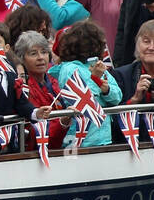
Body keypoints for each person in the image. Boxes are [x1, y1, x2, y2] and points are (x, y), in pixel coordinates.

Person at [50, 19, 122, 147]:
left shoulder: (98, 66)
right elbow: (83, 100)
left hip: (104, 137)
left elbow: (117, 97)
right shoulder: (68, 68)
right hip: (78, 139)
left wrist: (106, 90)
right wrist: (95, 79)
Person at [13, 30, 66, 151]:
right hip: (36, 152)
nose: (40, 57)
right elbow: (36, 130)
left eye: (44, 52)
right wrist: (64, 122)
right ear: (22, 59)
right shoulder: (23, 88)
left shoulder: (54, 81)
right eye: (33, 54)